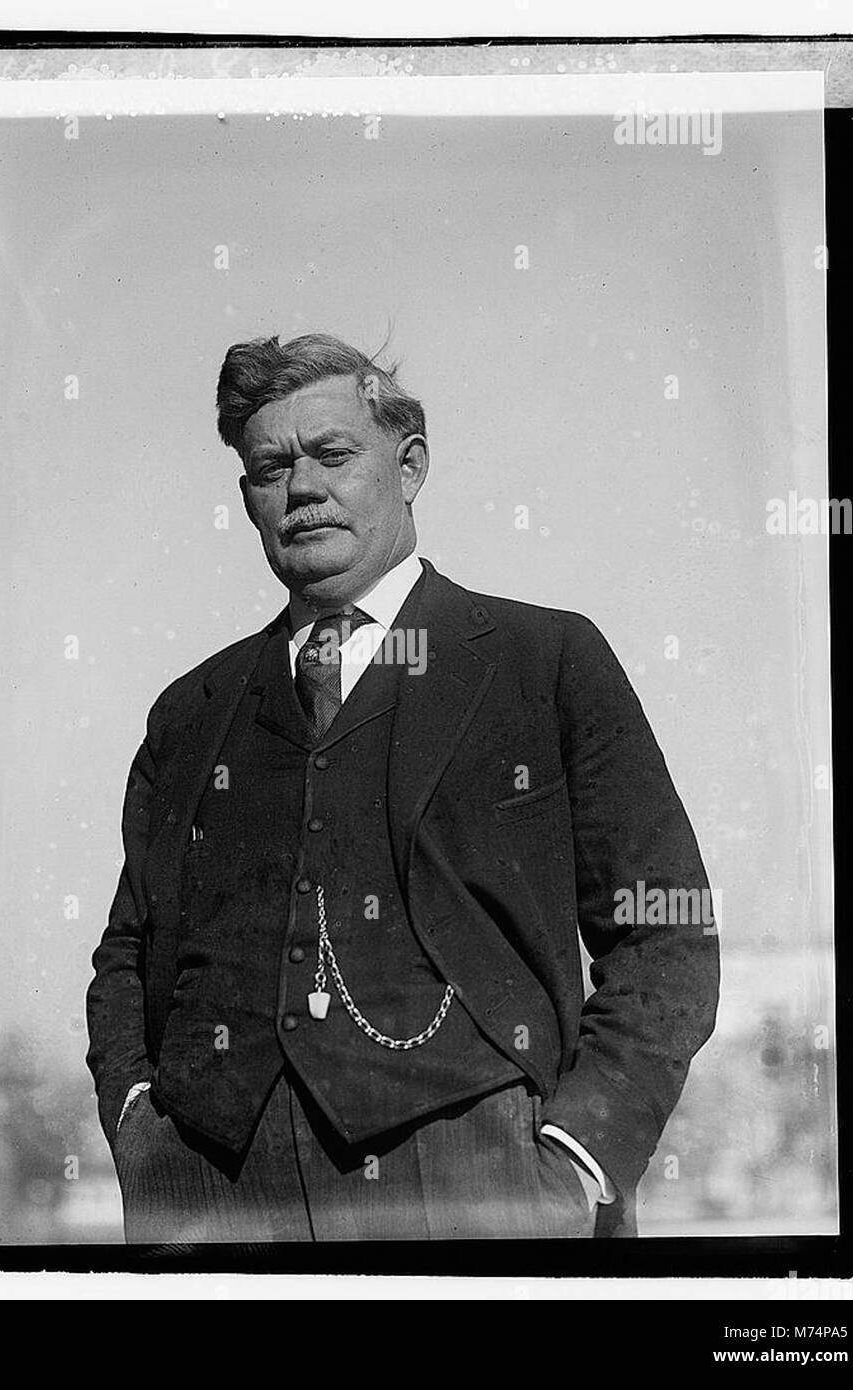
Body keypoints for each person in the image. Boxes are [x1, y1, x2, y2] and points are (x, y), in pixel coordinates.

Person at [85, 333, 719, 1242]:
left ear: (409, 464)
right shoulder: (193, 710)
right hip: (209, 1193)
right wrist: (139, 1127)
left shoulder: (543, 662)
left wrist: (577, 1160)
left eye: (333, 455)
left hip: (475, 1182)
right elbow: (129, 951)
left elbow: (665, 928)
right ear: (247, 498)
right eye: (270, 468)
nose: (301, 488)